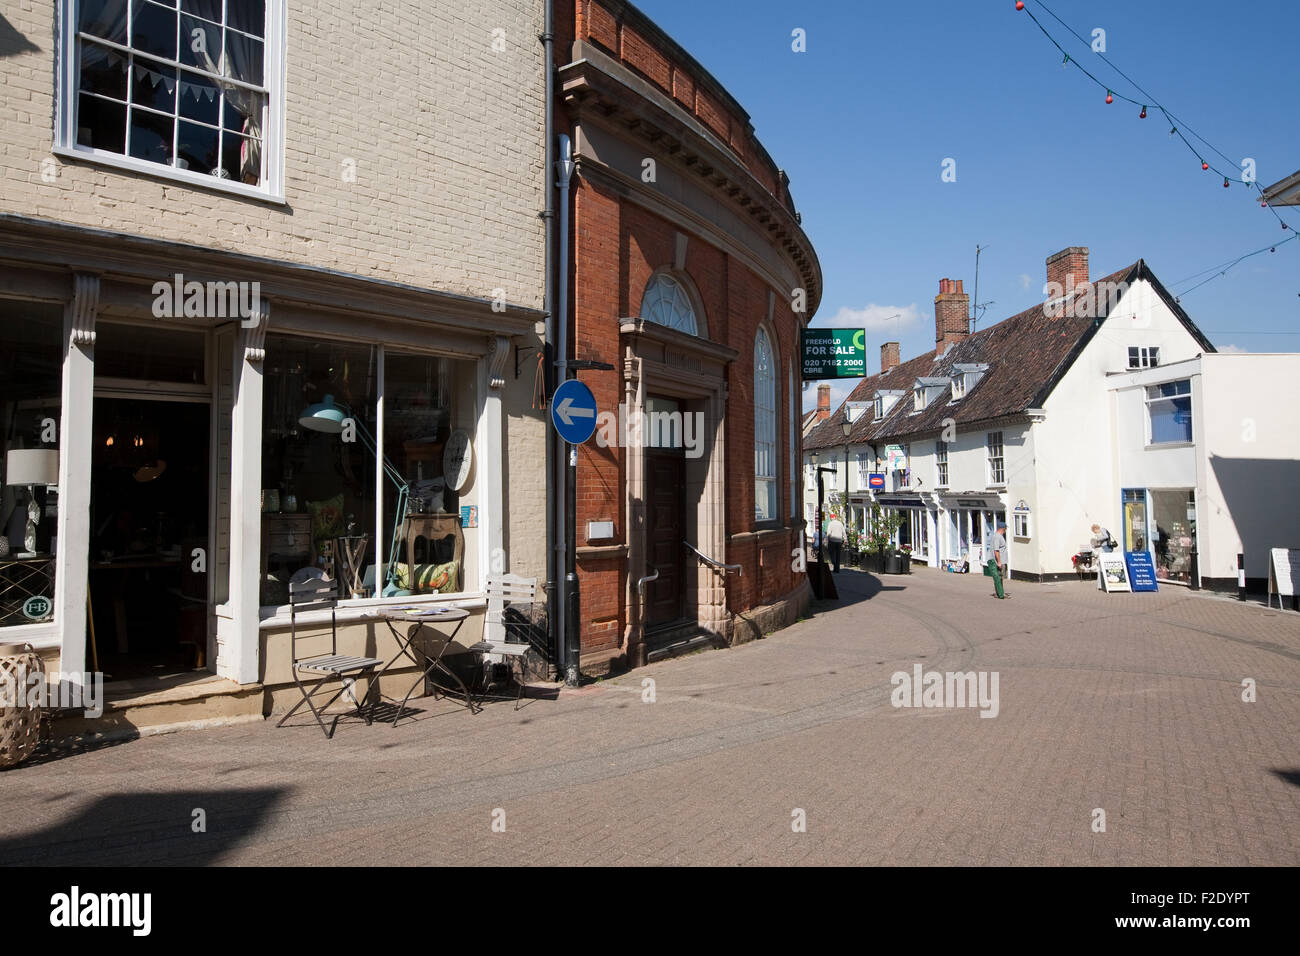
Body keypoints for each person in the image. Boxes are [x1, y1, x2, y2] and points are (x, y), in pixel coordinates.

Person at [983, 520, 1008, 598]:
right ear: (1003, 528)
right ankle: (1001, 595)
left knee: (999, 578)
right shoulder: (997, 537)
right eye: (1005, 529)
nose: (1005, 530)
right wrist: (999, 562)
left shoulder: (996, 536)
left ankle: (1000, 592)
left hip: (998, 560)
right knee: (998, 578)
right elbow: (996, 550)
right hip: (996, 561)